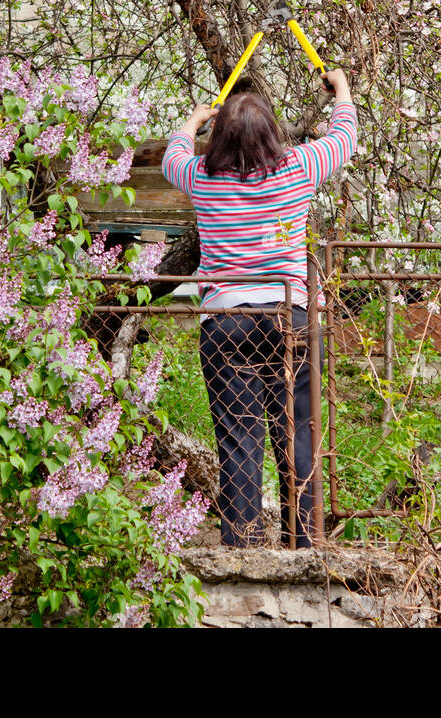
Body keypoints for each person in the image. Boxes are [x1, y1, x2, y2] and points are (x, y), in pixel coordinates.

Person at [161, 70, 356, 548]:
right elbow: (345, 136)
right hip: (292, 318)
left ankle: (245, 544)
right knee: (299, 437)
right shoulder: (299, 167)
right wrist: (341, 87)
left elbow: (173, 156)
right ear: (274, 133)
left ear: (221, 136)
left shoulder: (202, 179)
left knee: (239, 440)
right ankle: (304, 543)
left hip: (227, 322)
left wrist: (193, 120)